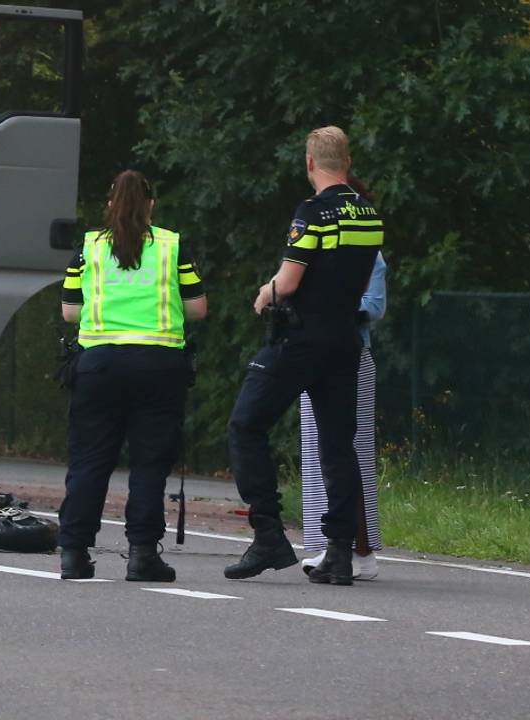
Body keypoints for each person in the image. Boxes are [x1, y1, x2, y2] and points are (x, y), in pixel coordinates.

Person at [224, 127, 384, 586]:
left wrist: (264, 293)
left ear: (311, 163)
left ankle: (268, 533)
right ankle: (339, 552)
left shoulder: (313, 212)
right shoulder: (369, 214)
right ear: (347, 161)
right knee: (338, 445)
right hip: (345, 340)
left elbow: (290, 281)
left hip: (302, 336)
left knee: (245, 425)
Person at [57, 170, 208, 582]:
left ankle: (74, 552)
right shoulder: (173, 247)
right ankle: (142, 553)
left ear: (110, 204)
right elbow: (197, 308)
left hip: (99, 365)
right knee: (149, 461)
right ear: (151, 206)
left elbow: (70, 312)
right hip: (158, 365)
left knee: (90, 459)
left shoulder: (89, 249)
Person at [299, 211, 387, 580]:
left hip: (350, 356)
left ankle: (362, 550)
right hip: (312, 353)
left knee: (351, 453)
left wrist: (334, 308)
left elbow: (376, 305)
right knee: (318, 453)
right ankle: (327, 545)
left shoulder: (371, 256)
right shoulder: (308, 250)